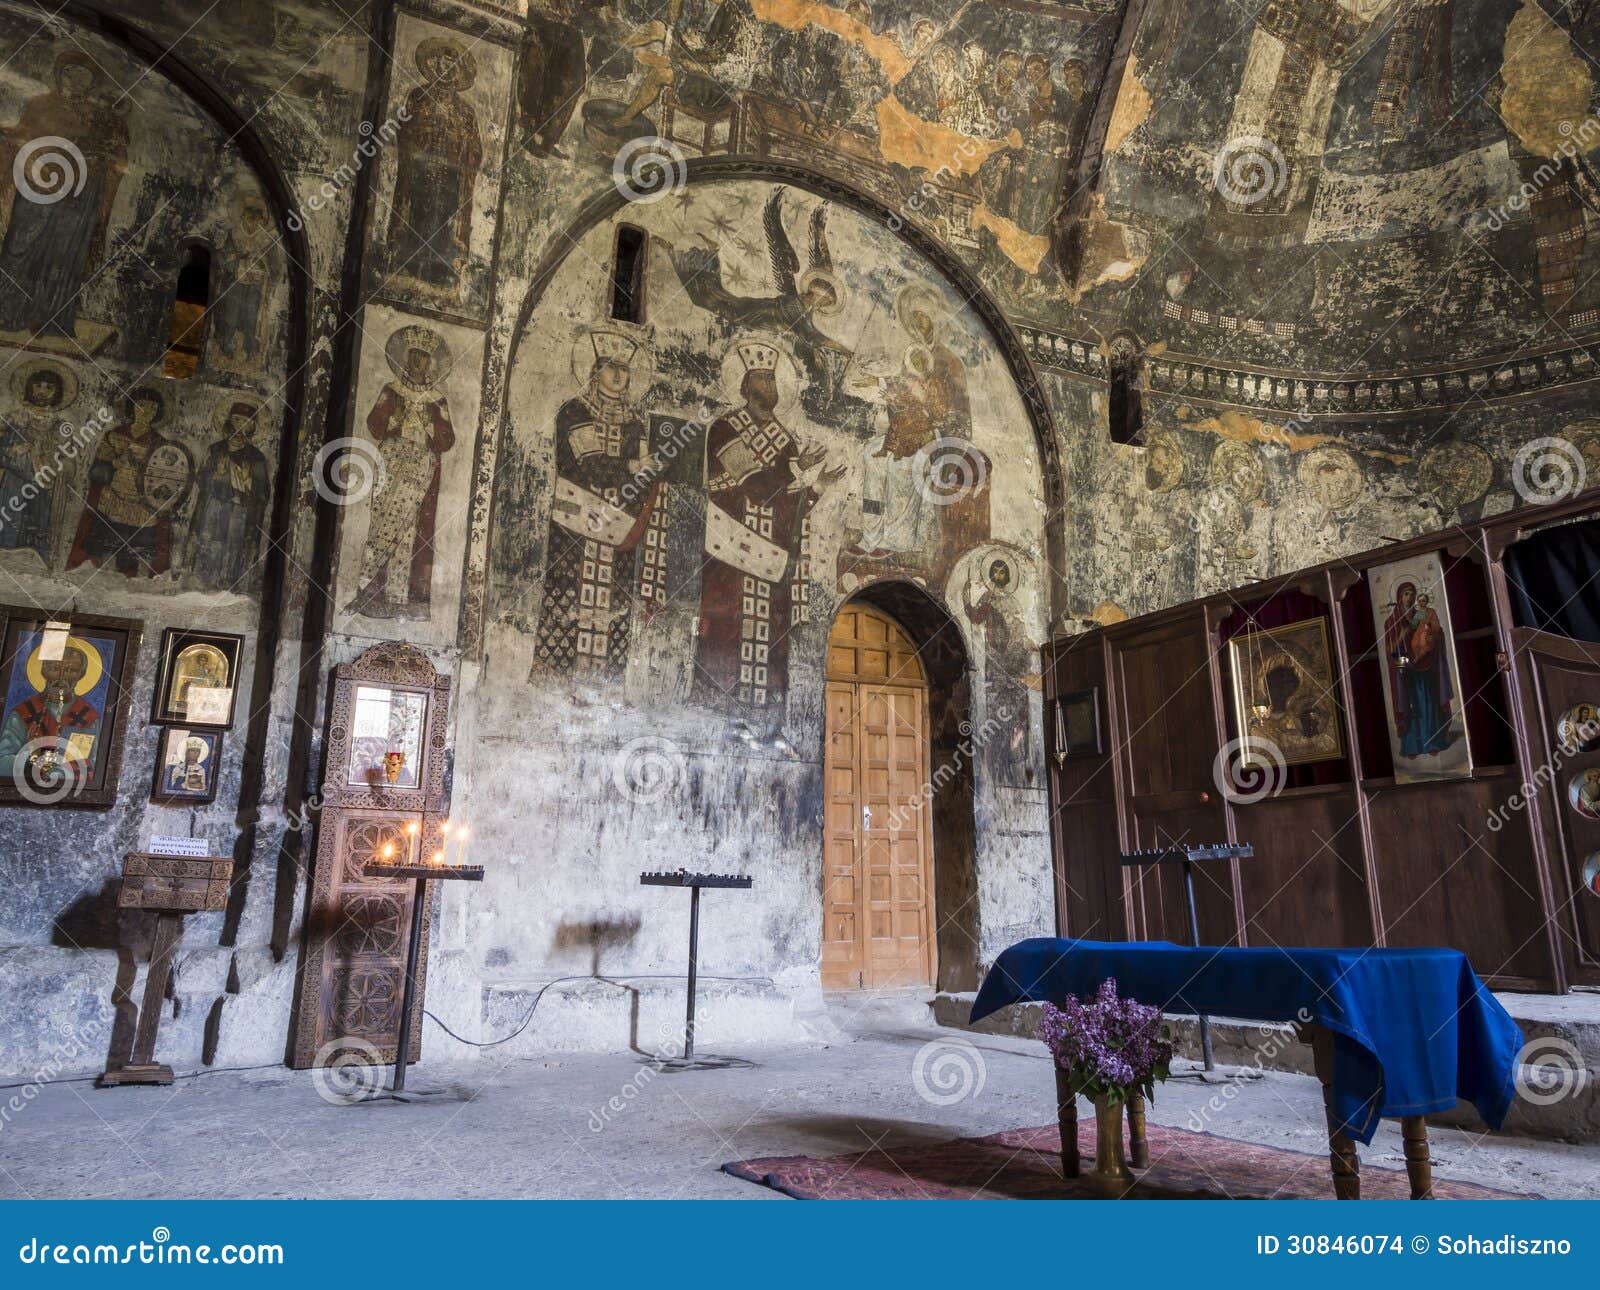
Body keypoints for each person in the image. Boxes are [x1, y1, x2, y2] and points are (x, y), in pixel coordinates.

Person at [532, 331, 658, 676]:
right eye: (609, 367)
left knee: (615, 598)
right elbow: (590, 464)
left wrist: (648, 473)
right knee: (566, 589)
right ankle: (554, 668)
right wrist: (632, 467)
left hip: (619, 524)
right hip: (575, 520)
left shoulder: (634, 422)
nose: (618, 375)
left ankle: (607, 674)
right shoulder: (575, 410)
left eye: (624, 369)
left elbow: (645, 473)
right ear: (594, 371)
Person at [346, 329, 454, 618]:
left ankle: (406, 599)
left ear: (430, 363)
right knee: (383, 524)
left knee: (414, 528)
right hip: (392, 461)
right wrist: (394, 420)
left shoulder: (436, 400)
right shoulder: (392, 390)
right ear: (406, 359)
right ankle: (372, 593)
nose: (418, 362)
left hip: (421, 466)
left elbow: (446, 440)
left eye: (423, 358)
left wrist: (430, 426)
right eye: (414, 356)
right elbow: (375, 424)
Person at [386, 38, 482, 290]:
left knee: (444, 216)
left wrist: (463, 157)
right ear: (434, 64)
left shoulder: (465, 111)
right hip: (421, 170)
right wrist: (421, 144)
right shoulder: (418, 96)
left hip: (450, 175)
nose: (447, 69)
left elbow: (475, 148)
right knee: (418, 211)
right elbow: (404, 130)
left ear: (459, 72)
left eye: (453, 65)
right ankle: (411, 262)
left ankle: (439, 268)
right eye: (443, 63)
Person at [67, 388, 187, 577]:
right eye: (142, 405)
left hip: (141, 510)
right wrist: (115, 463)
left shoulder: (160, 444)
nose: (147, 411)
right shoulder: (115, 435)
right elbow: (97, 473)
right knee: (95, 553)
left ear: (158, 412)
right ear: (132, 407)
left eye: (152, 408)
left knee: (130, 560)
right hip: (111, 503)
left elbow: (167, 479)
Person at [187, 402, 271, 589]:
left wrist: (248, 483)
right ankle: (203, 579)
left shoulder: (256, 457)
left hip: (239, 511)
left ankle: (228, 583)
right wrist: (215, 475)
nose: (241, 425)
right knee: (210, 541)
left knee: (233, 546)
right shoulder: (216, 449)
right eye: (238, 419)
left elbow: (263, 492)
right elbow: (201, 479)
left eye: (247, 422)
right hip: (214, 506)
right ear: (230, 421)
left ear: (253, 427)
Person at [1383, 580, 1455, 757]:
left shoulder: (1422, 615)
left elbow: (1435, 633)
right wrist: (1402, 638)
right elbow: (1390, 649)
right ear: (1399, 597)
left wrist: (1435, 636)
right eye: (1406, 593)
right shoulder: (1391, 621)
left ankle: (1433, 742)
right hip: (1404, 665)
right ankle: (1412, 746)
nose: (1410, 597)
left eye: (1412, 593)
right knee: (1410, 704)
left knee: (1429, 701)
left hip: (1425, 664)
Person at [0, 644, 100, 772]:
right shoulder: (24, 713)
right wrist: (29, 756)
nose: (61, 676)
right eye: (55, 668)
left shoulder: (87, 716)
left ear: (81, 674)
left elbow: (94, 766)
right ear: (44, 671)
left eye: (70, 670)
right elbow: (2, 762)